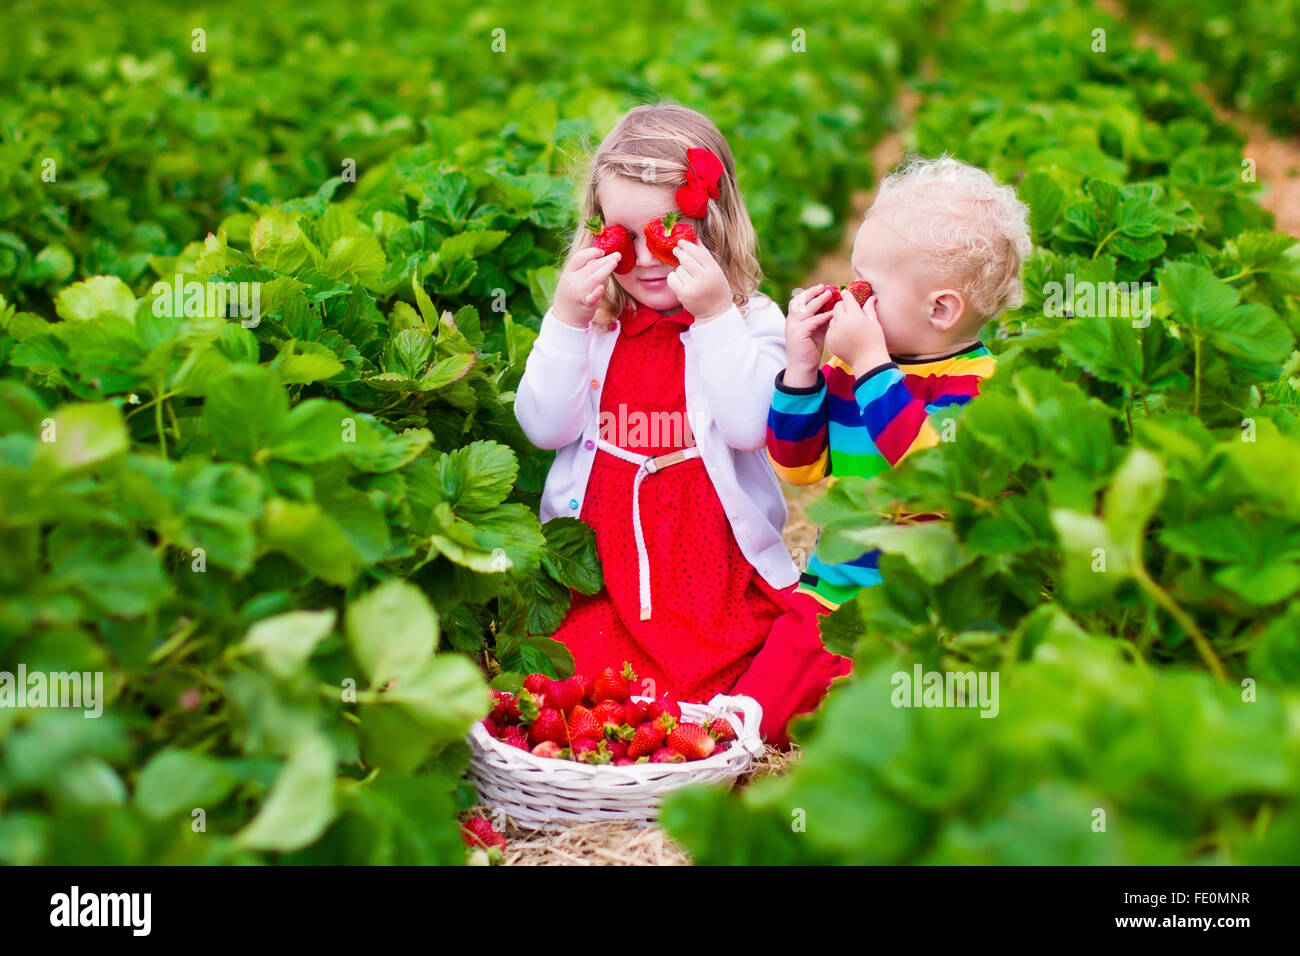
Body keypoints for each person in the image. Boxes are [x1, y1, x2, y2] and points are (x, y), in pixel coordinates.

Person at [515, 103, 824, 742]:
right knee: (586, 681)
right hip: (612, 571)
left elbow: (746, 427)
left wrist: (713, 316)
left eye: (668, 231)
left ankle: (719, 722)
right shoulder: (597, 328)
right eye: (620, 235)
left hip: (712, 565)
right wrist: (565, 320)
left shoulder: (752, 320)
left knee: (773, 658)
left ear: (714, 222)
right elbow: (543, 426)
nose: (645, 258)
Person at [758, 156, 1032, 734]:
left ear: (941, 309)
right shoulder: (847, 368)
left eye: (869, 288)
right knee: (765, 700)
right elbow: (798, 468)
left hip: (928, 609)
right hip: (836, 594)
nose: (849, 297)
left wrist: (871, 365)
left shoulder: (977, 385)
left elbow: (933, 468)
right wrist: (804, 371)